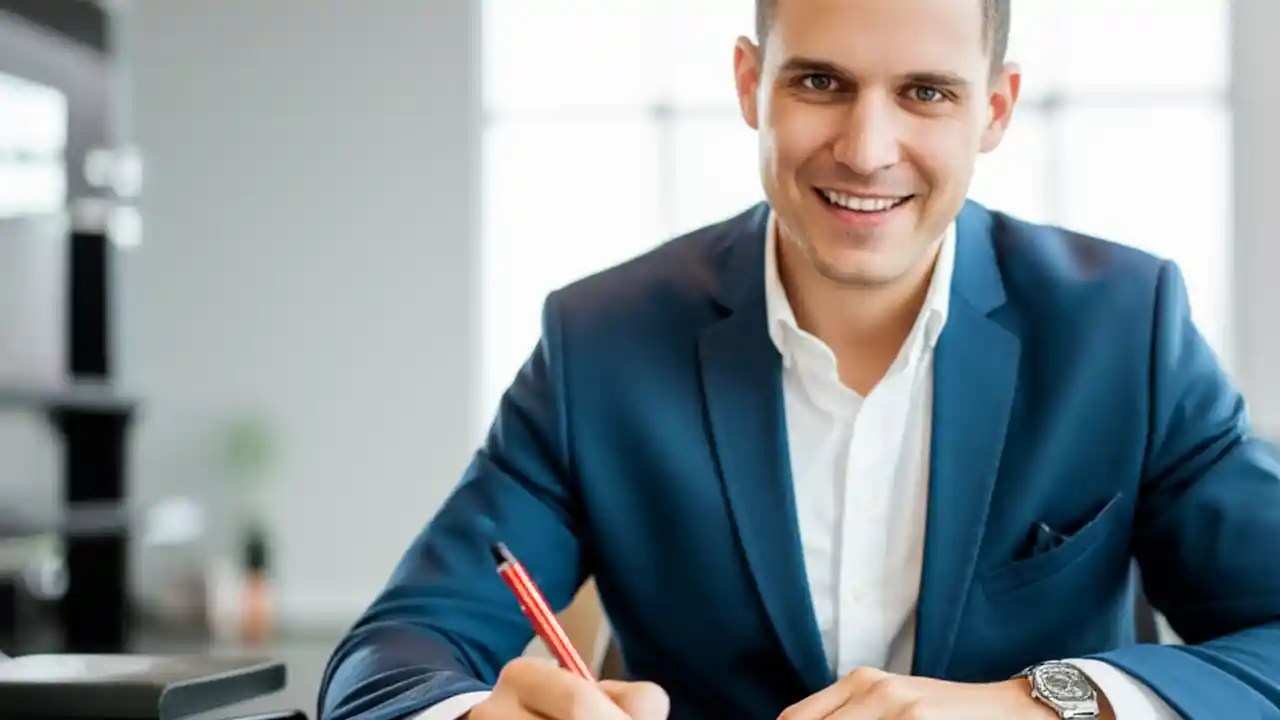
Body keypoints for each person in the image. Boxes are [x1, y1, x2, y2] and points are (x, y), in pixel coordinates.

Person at [319, 0, 1280, 718]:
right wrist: (470, 715)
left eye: (926, 93)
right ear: (750, 84)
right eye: (820, 82)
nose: (867, 150)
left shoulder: (1123, 327)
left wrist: (1035, 702)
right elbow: (391, 660)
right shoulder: (597, 342)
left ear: (995, 107)